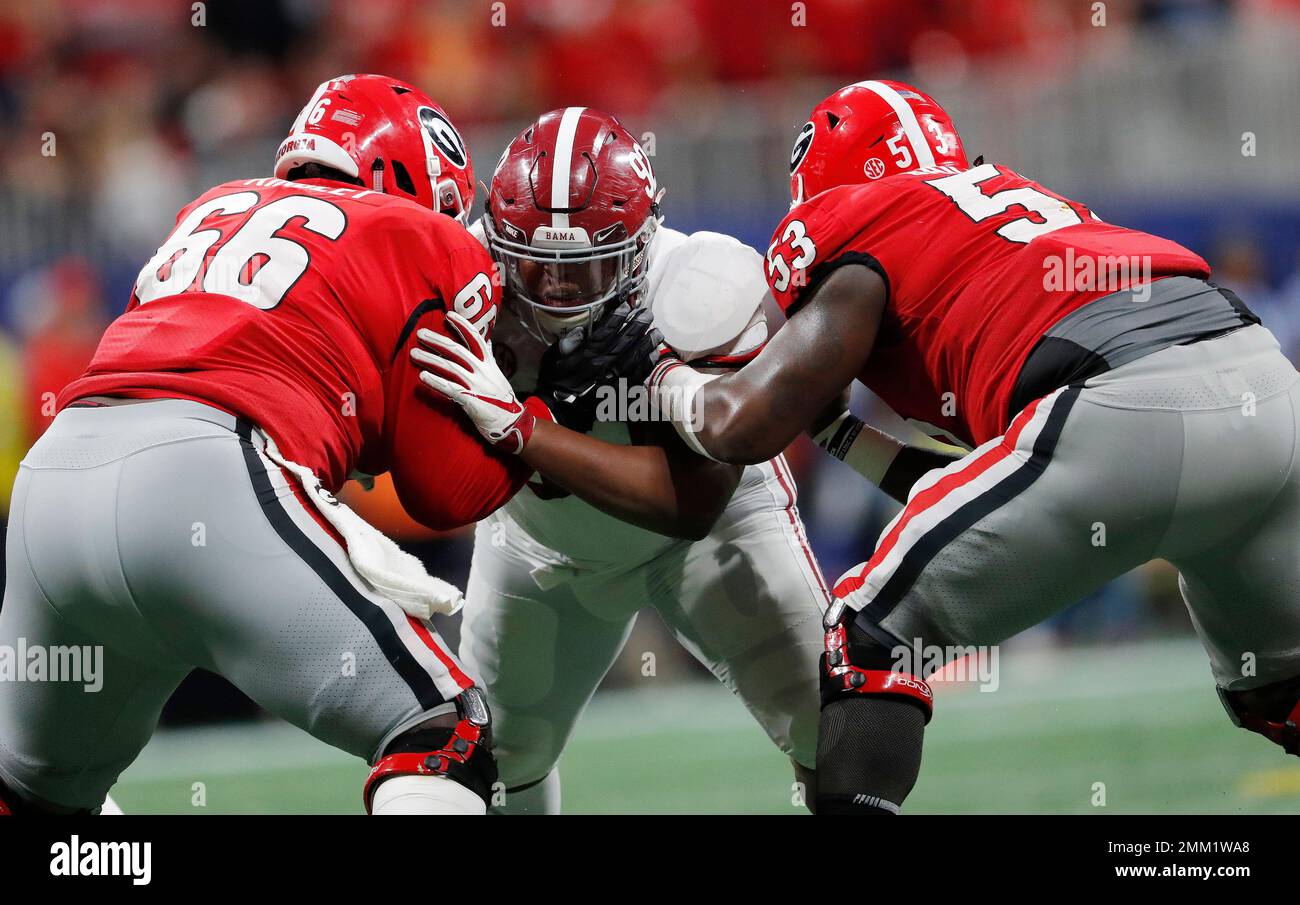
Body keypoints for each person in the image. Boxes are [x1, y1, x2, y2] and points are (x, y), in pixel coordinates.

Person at [500, 80, 1298, 814]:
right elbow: (993, 479)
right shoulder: (1021, 209)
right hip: (1266, 393)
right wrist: (844, 431)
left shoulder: (862, 214)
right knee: (1283, 692)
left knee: (866, 640)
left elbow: (739, 427)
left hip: (1119, 404)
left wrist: (661, 372)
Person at [0, 74, 525, 816]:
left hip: (52, 484)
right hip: (205, 474)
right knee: (441, 734)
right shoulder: (421, 234)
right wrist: (526, 424)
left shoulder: (205, 208)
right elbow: (443, 491)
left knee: (38, 797)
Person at [408, 107, 843, 814]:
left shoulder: (700, 289)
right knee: (499, 763)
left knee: (834, 729)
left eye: (580, 269)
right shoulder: (458, 278)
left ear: (640, 245)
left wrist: (523, 430)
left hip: (711, 535)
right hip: (539, 545)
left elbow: (694, 502)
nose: (553, 290)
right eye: (535, 263)